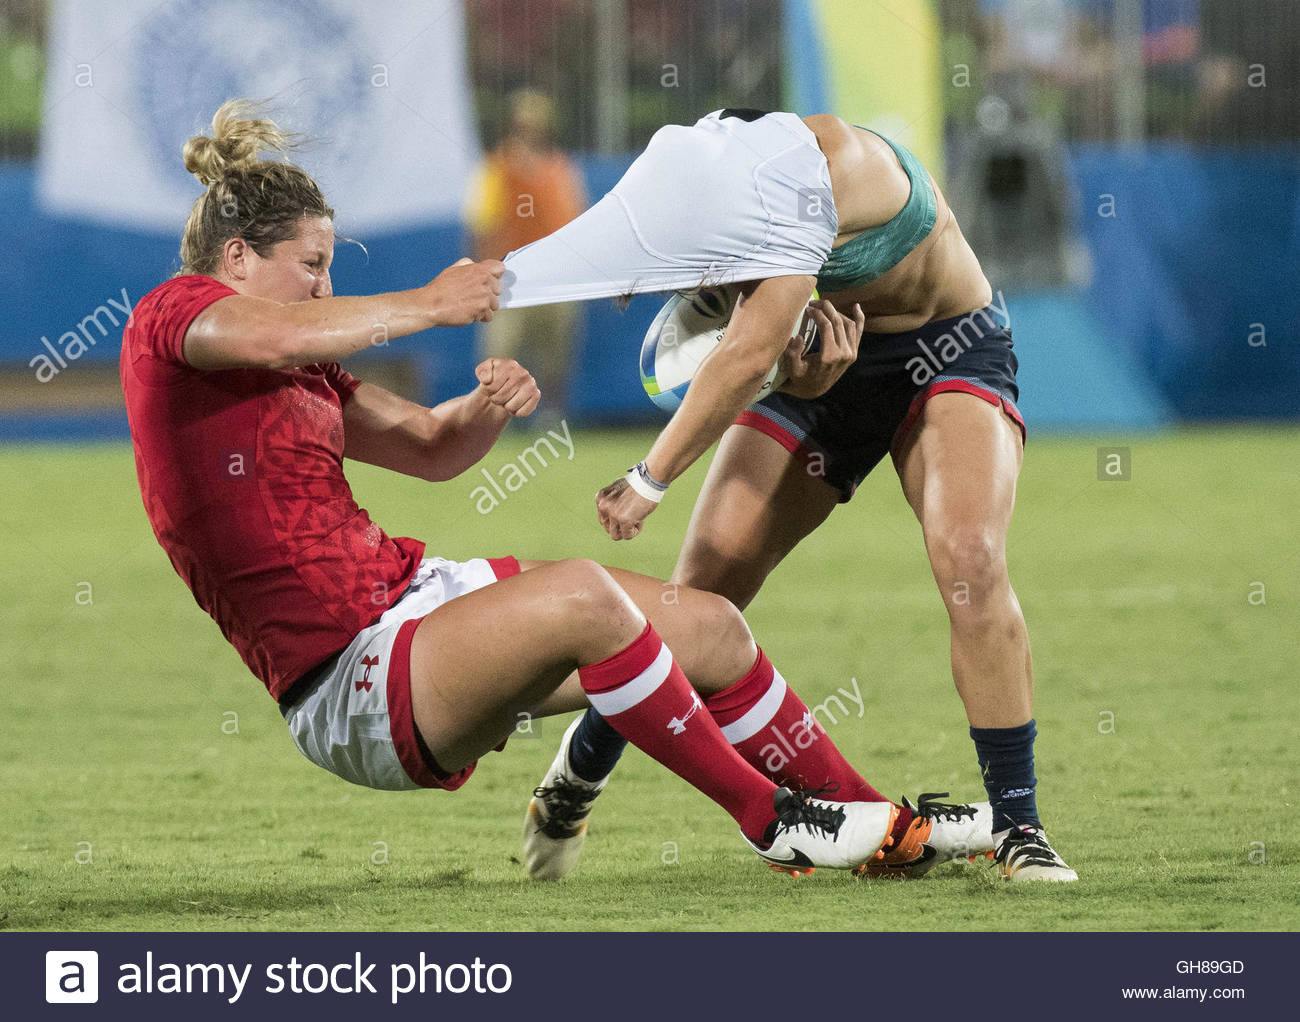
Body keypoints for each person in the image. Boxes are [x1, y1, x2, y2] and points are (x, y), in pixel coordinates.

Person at [120, 99, 990, 882]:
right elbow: (269, 336)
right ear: (235, 257)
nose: (325, 286)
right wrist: (428, 303)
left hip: (410, 605)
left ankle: (884, 826)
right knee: (585, 597)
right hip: (346, 679)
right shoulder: (172, 317)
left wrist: (484, 407)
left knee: (711, 628)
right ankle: (773, 821)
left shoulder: (303, 366)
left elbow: (428, 447)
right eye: (311, 265)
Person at [500, 108, 1076, 882]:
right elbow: (657, 245)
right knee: (696, 599)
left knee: (968, 555)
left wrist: (649, 478)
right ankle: (578, 772)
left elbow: (744, 351)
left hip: (945, 347)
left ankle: (1019, 826)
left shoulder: (821, 178)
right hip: (819, 361)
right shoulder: (724, 177)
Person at [465, 90, 586, 424]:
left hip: (554, 277)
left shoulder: (560, 168)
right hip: (509, 278)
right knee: (499, 353)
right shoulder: (496, 168)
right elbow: (481, 223)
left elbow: (575, 220)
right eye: (524, 123)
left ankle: (551, 418)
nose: (531, 130)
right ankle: (489, 422)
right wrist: (479, 278)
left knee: (555, 355)